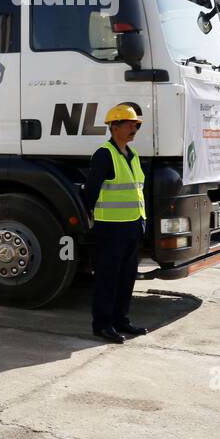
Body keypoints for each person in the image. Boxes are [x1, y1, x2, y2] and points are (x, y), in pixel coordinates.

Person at [82, 103, 149, 343]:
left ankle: (121, 320)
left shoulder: (133, 155)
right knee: (107, 278)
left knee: (127, 277)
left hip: (132, 225)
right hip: (110, 227)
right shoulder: (104, 154)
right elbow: (91, 191)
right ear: (114, 127)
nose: (134, 128)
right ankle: (102, 325)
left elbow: (138, 190)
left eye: (136, 125)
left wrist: (142, 221)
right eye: (129, 124)